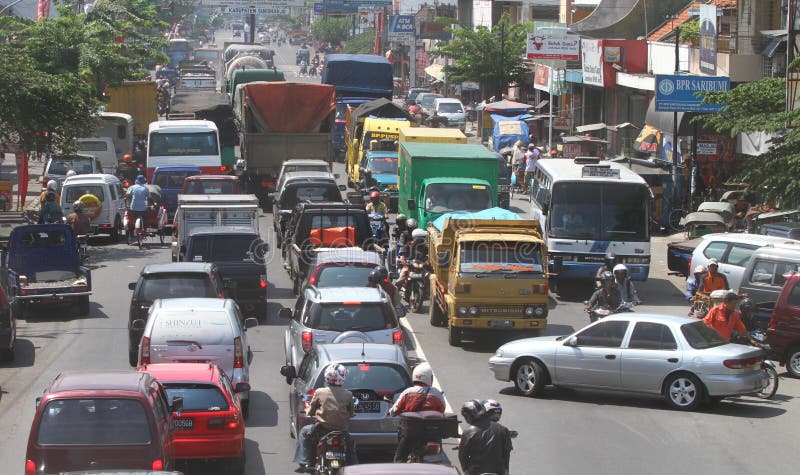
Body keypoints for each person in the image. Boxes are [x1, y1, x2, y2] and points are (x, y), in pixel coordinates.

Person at [293, 364, 356, 472]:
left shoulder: (319, 392)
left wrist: (309, 410)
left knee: (304, 432)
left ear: (327, 377)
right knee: (351, 446)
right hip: (342, 432)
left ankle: (305, 462)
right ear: (343, 377)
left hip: (322, 430)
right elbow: (351, 413)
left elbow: (311, 410)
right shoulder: (348, 394)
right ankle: (355, 467)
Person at [389, 363, 446, 462]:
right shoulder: (436, 393)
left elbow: (394, 412)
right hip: (432, 433)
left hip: (411, 434)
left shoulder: (407, 392)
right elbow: (442, 410)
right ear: (428, 378)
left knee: (399, 460)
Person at [459, 399, 513, 475]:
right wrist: (506, 470)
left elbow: (462, 454)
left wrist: (465, 470)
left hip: (475, 471)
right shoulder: (502, 429)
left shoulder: (468, 431)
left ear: (469, 415)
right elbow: (506, 452)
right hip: (498, 471)